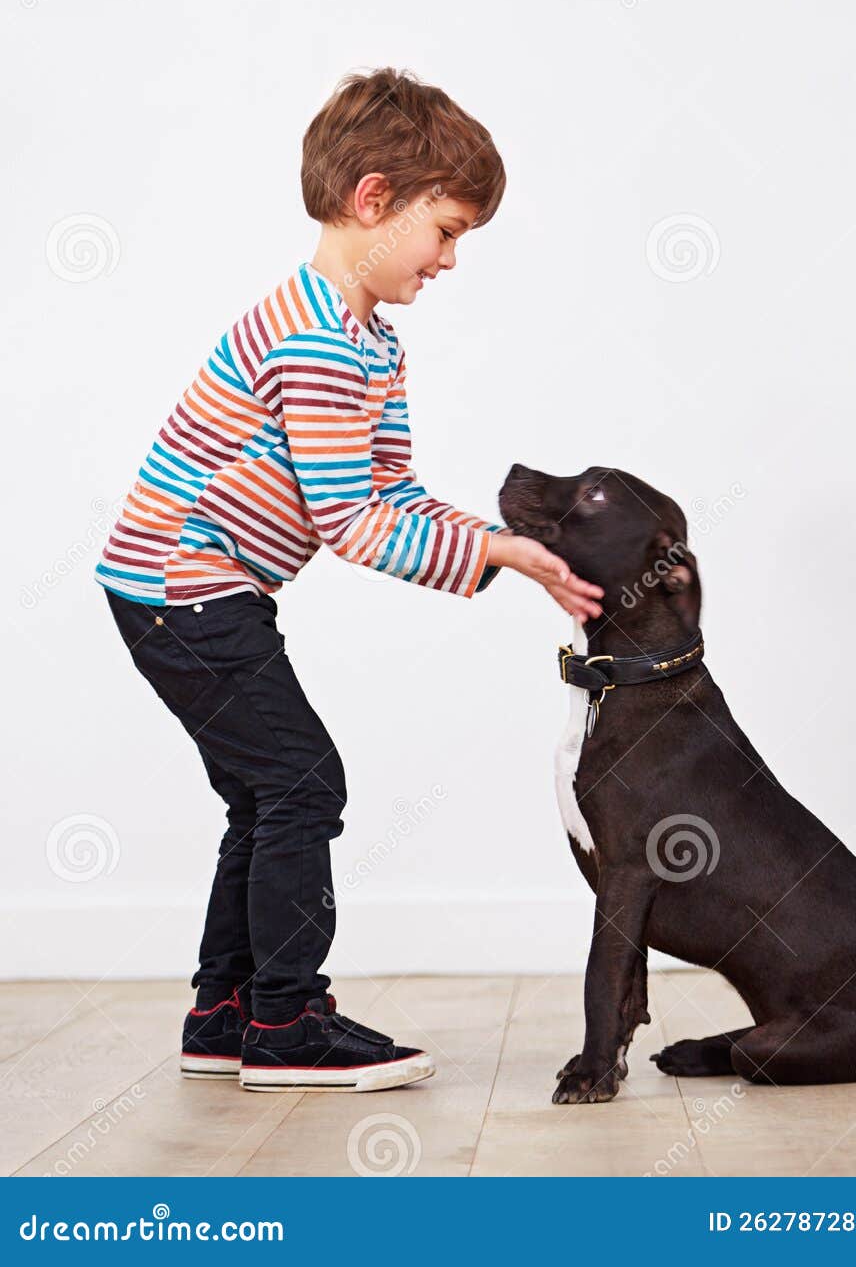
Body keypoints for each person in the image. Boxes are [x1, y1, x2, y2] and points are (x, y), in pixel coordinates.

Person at [96, 67, 603, 1092]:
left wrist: (504, 542)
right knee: (301, 781)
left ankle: (225, 1010)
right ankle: (285, 1021)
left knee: (265, 791)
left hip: (192, 588)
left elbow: (391, 488)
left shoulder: (367, 336)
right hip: (181, 585)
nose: (452, 259)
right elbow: (353, 526)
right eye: (447, 228)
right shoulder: (319, 339)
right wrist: (495, 555)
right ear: (376, 200)